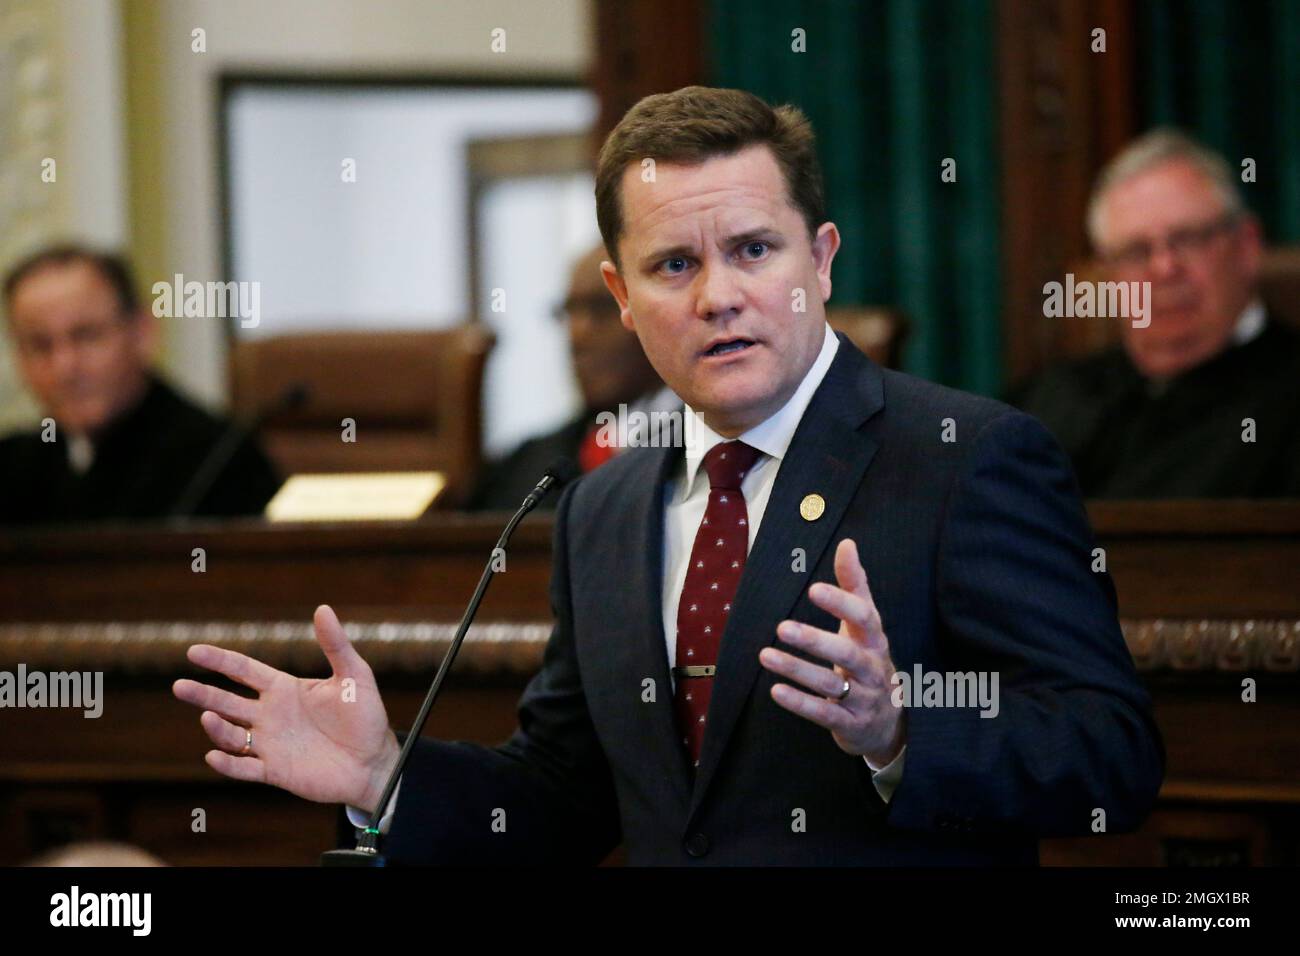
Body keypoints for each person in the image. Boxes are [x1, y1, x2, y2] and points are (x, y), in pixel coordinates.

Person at [174, 87, 1163, 865]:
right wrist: (387, 776)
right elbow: (565, 800)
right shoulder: (601, 509)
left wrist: (901, 724)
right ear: (620, 294)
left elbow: (1111, 756)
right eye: (674, 264)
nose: (720, 295)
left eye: (752, 249)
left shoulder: (966, 455)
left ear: (819, 260)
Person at [1012, 129, 1300, 497]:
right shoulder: (1051, 398)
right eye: (1136, 251)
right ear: (1108, 276)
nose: (1164, 269)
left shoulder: (1288, 400)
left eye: (1188, 239)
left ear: (1246, 246)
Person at [0, 245, 281, 524]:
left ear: (141, 334)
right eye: (39, 345)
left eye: (87, 336)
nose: (64, 367)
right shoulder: (12, 466)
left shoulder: (218, 461)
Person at [469, 244, 676, 510]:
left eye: (601, 309)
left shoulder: (700, 450)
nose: (576, 336)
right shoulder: (531, 465)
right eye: (569, 312)